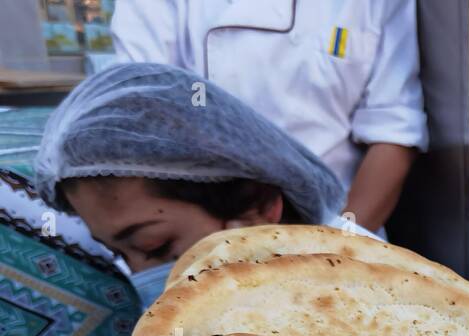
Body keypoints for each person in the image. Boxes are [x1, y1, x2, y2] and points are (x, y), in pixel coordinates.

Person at [36, 63, 349, 310]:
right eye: (118, 253)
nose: (143, 278)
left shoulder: (362, 306)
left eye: (155, 246)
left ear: (259, 205)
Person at [109, 0, 427, 234]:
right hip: (209, 233)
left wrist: (337, 247)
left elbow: (394, 132)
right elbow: (150, 117)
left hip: (340, 226)